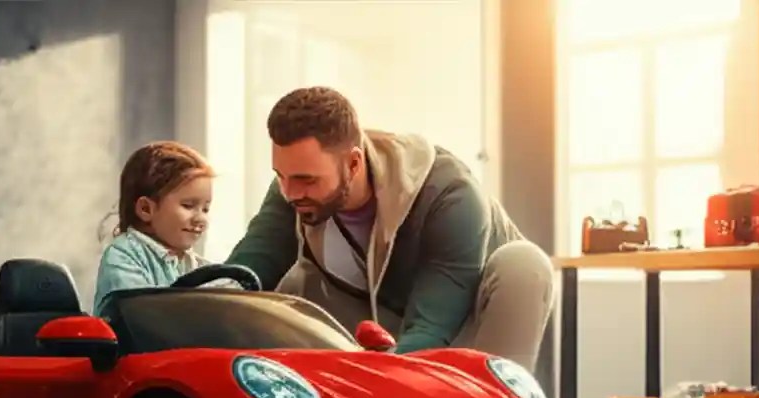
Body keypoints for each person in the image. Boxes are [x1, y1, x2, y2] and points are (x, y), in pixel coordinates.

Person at [225, 86, 555, 371]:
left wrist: (379, 382)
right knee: (290, 289)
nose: (290, 192)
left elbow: (430, 328)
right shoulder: (293, 189)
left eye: (306, 180)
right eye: (281, 176)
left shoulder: (450, 193)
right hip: (378, 328)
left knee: (524, 264)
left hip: (462, 329)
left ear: (354, 163)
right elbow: (248, 268)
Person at [92, 140, 217, 315]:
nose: (200, 219)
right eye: (188, 206)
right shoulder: (123, 256)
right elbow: (140, 316)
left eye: (205, 209)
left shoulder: (195, 265)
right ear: (146, 209)